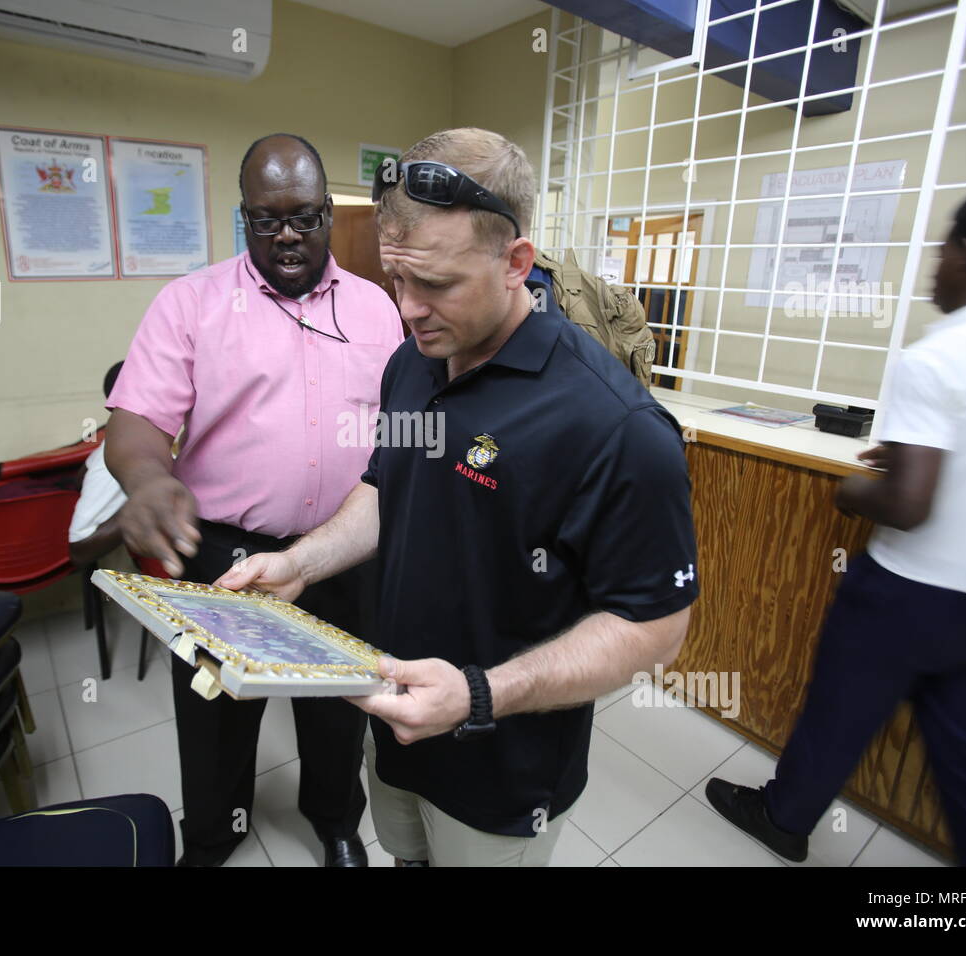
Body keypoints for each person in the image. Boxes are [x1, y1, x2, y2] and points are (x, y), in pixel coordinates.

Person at [220, 128, 699, 866]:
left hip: (503, 771)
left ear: (516, 263)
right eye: (395, 280)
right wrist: (303, 563)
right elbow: (389, 487)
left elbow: (654, 627)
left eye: (436, 284)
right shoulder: (414, 363)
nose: (408, 310)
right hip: (397, 730)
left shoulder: (617, 427)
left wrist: (478, 696)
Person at [705, 177, 966, 866]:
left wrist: (855, 492)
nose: (935, 268)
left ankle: (784, 816)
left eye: (943, 250)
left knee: (839, 715)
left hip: (909, 599)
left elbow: (908, 507)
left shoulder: (938, 355)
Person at [104, 133, 404, 867]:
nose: (287, 235)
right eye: (266, 220)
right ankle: (213, 834)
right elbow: (134, 424)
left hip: (345, 550)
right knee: (215, 714)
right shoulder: (191, 303)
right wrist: (147, 477)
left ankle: (335, 822)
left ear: (329, 213)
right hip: (226, 557)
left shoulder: (378, 310)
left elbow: (402, 432)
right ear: (243, 219)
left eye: (303, 216)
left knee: (341, 708)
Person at [67, 361, 128, 568]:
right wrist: (139, 509)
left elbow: (79, 479)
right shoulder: (122, 454)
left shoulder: (114, 443)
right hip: (125, 591)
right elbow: (79, 548)